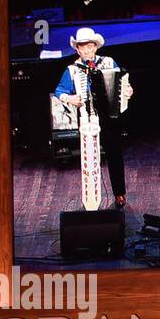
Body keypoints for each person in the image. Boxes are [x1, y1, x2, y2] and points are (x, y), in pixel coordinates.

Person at [53, 26, 132, 206]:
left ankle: (119, 193)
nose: (87, 50)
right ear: (77, 49)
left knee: (114, 154)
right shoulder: (72, 70)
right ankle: (91, 197)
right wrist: (70, 98)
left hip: (109, 117)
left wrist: (127, 90)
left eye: (90, 46)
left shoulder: (109, 62)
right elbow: (59, 91)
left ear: (95, 47)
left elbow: (123, 82)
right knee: (89, 156)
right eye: (83, 47)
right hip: (87, 117)